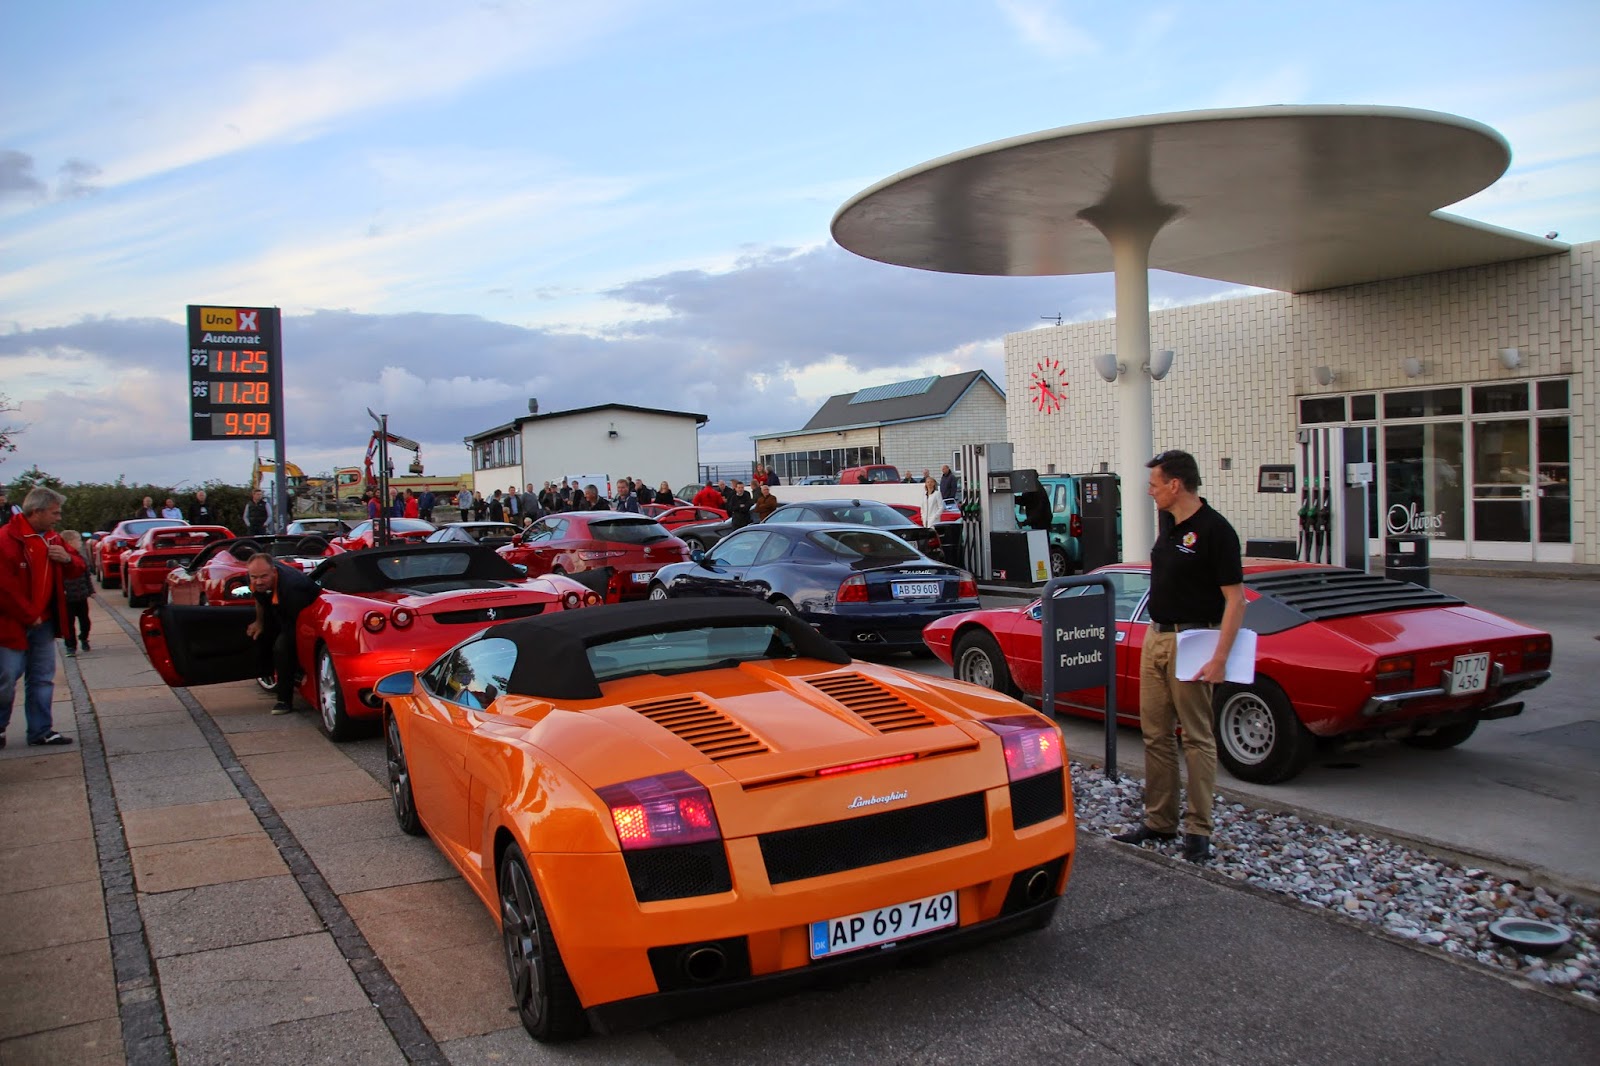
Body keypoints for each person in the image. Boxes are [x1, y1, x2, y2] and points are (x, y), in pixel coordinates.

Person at [1111, 450, 1245, 865]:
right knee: (1155, 734)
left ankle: (1198, 829)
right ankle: (1160, 820)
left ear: (1175, 484)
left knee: (1197, 738)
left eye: (1154, 484)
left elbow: (1236, 601)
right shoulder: (1167, 523)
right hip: (1156, 636)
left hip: (1193, 640)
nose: (1149, 492)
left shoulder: (1216, 531)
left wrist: (1220, 658)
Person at [0, 487, 83, 747]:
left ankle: (40, 730)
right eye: (54, 513)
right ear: (36, 512)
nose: (58, 518)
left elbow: (79, 566)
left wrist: (67, 559)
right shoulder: (6, 540)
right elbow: (4, 586)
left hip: (43, 623)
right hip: (11, 623)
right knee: (6, 676)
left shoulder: (52, 539)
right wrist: (28, 614)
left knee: (42, 676)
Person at [244, 552, 321, 714]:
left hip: (306, 615)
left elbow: (296, 623)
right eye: (254, 577)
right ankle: (267, 671)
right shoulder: (253, 578)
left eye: (263, 577)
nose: (258, 581)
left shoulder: (293, 587)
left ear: (273, 572)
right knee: (261, 634)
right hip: (281, 606)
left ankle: (284, 700)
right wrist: (259, 622)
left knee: (282, 648)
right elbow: (258, 598)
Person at [59, 530, 92, 657]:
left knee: (85, 621)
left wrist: (90, 590)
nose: (80, 544)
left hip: (81, 595)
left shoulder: (80, 557)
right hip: (67, 597)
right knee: (68, 623)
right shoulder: (62, 558)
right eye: (78, 541)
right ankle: (70, 645)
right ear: (69, 542)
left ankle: (84, 637)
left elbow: (86, 575)